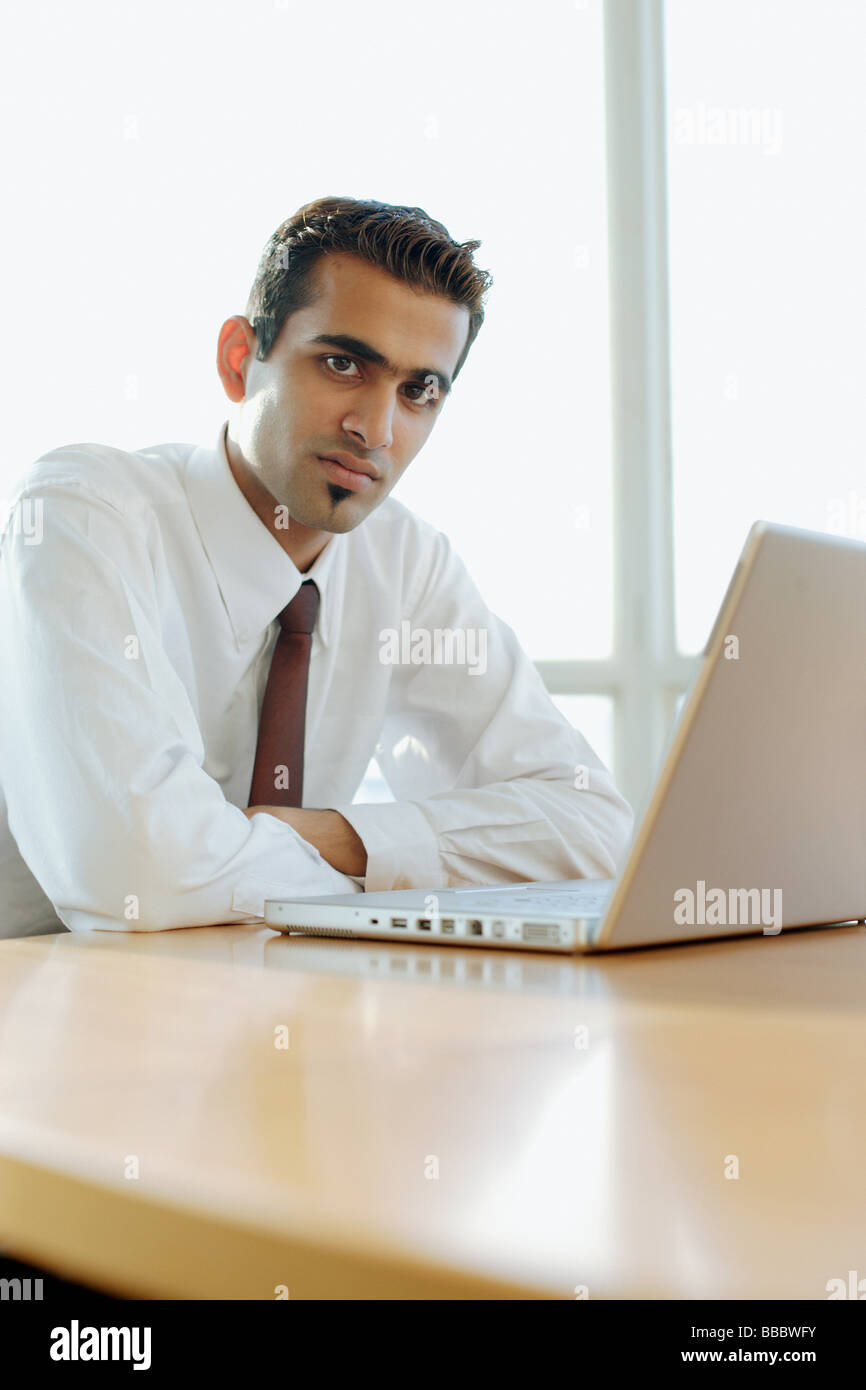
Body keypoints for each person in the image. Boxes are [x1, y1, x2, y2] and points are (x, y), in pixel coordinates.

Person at [0, 196, 633, 936]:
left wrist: (343, 840)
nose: (376, 429)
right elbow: (140, 875)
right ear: (241, 359)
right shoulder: (87, 512)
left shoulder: (405, 560)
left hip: (276, 1012)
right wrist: (406, 869)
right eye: (342, 363)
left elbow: (593, 830)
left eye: (419, 390)